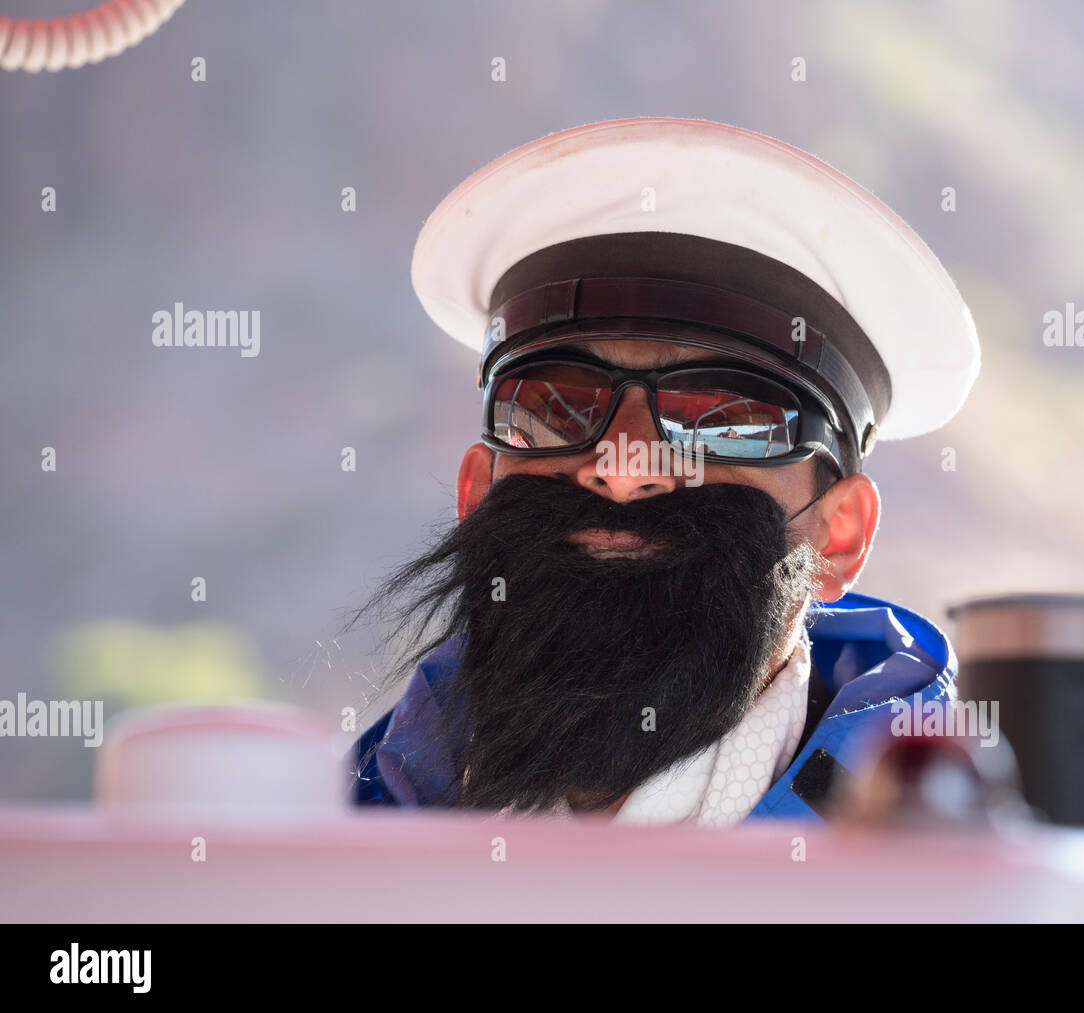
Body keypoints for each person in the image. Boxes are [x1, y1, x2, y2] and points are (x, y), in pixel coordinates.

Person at [348, 117, 980, 826]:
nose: (622, 468)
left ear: (839, 537)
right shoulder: (324, 858)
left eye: (723, 423)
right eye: (555, 410)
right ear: (478, 496)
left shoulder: (945, 882)